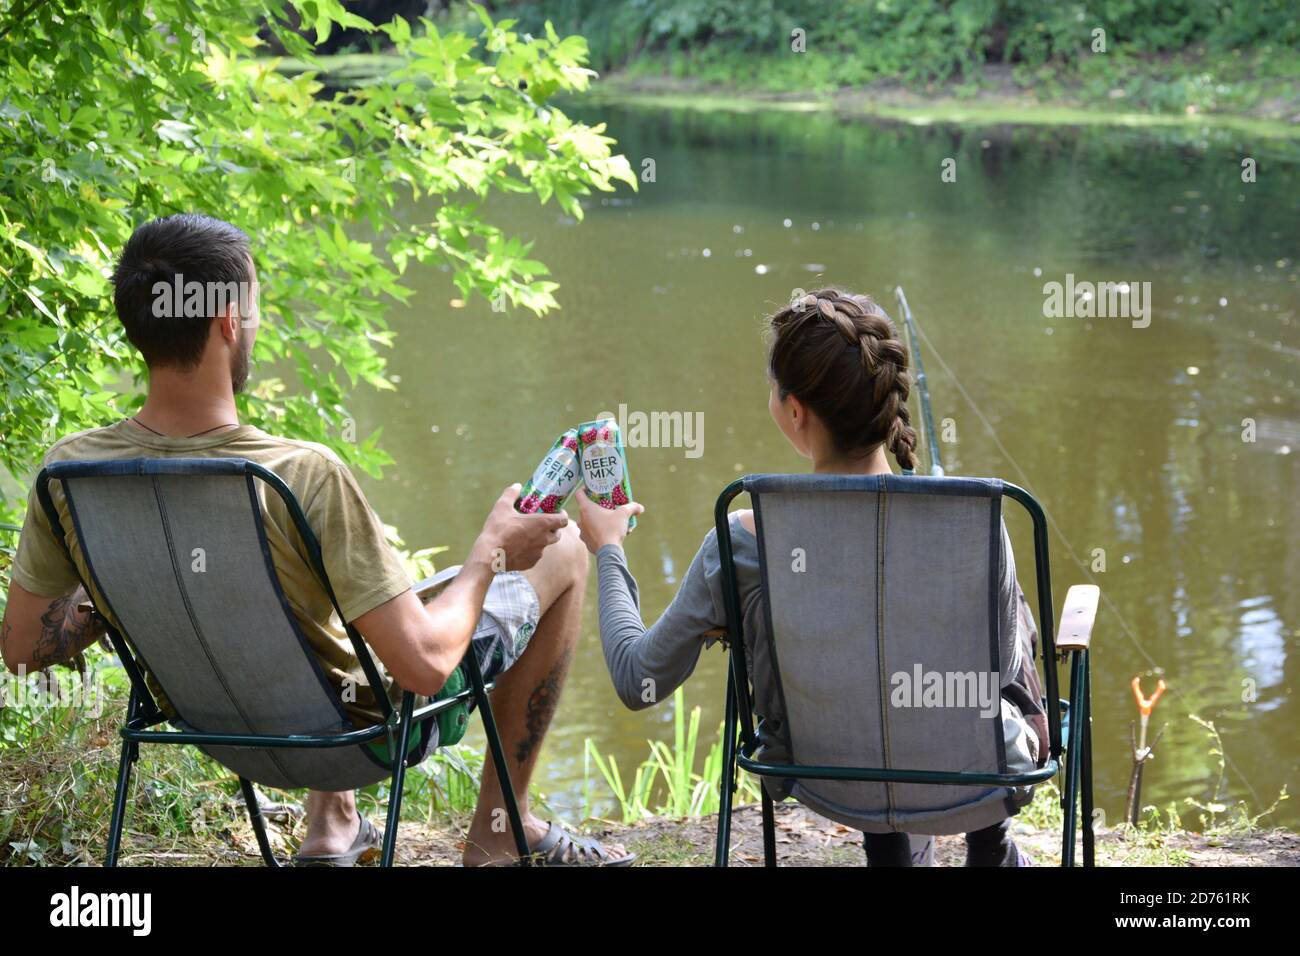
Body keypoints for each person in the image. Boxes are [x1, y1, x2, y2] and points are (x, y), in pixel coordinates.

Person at [1, 213, 631, 867]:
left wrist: (123, 587)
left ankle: (332, 830)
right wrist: (490, 552)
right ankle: (500, 831)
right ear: (226, 324)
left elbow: (22, 650)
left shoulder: (70, 472)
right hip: (344, 742)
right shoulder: (300, 474)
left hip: (214, 735)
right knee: (559, 552)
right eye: (254, 313)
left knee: (333, 610)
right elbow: (422, 665)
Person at [576, 288, 1047, 867]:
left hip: (826, 775)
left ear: (795, 411)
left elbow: (636, 676)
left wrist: (608, 547)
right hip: (973, 773)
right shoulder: (976, 526)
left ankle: (895, 852)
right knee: (1001, 633)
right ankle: (992, 847)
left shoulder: (745, 541)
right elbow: (1001, 669)